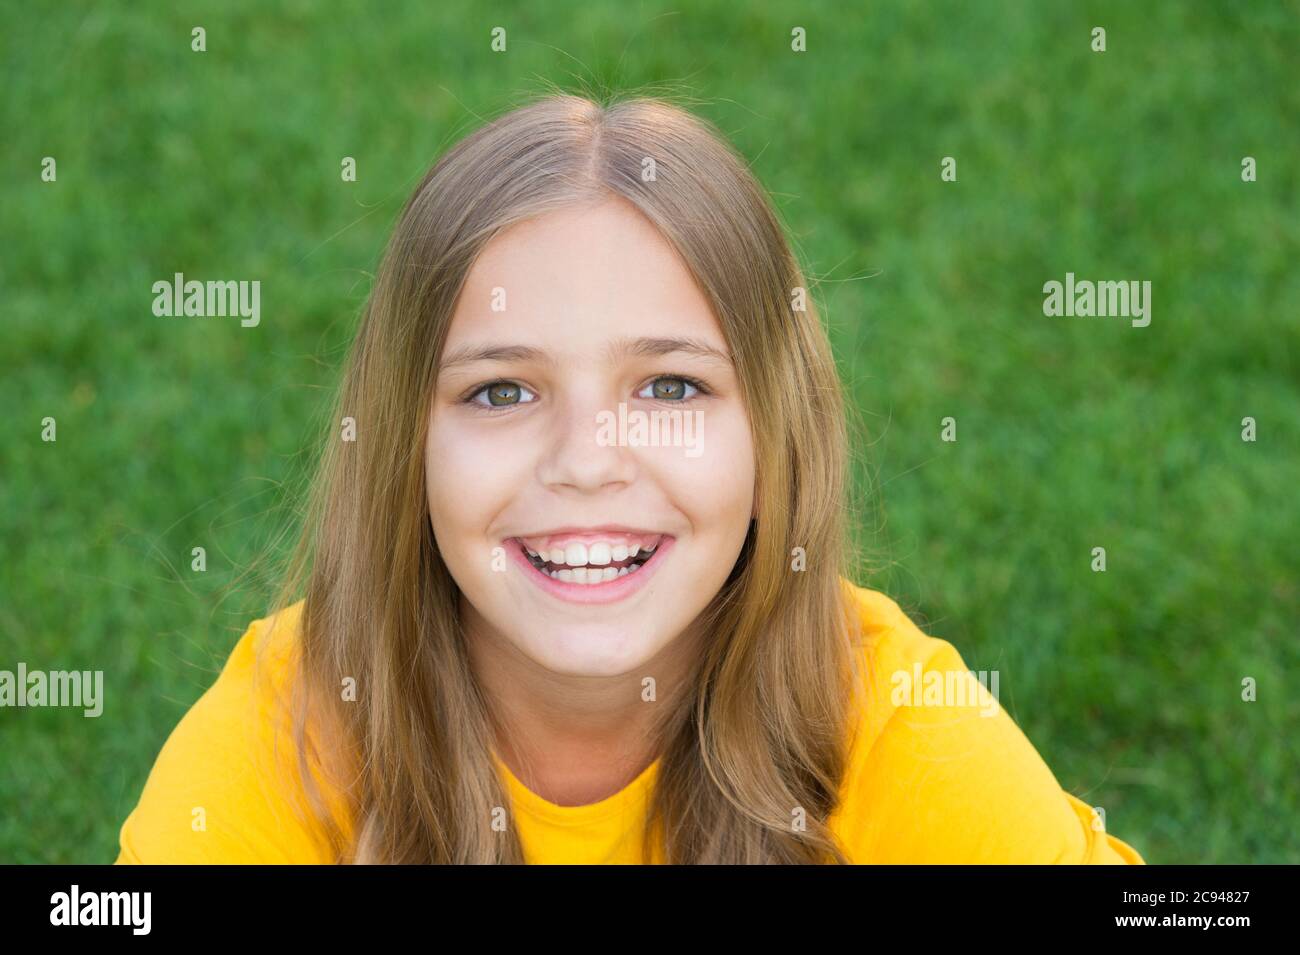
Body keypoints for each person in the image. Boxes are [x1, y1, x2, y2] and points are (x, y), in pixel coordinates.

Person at [115, 93, 1144, 864]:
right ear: (403, 442)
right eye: (501, 393)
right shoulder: (290, 729)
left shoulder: (892, 721)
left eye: (669, 385)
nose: (587, 460)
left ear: (771, 430)